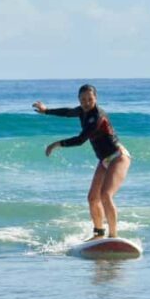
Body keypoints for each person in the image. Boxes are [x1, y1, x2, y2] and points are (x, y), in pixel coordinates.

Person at [32, 84, 131, 241]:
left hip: (118, 157)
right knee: (92, 198)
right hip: (104, 160)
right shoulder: (81, 111)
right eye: (83, 99)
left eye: (90, 99)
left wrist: (56, 144)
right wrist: (46, 111)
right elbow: (67, 112)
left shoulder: (98, 116)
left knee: (105, 195)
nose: (86, 102)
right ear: (79, 100)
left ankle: (113, 236)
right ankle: (98, 234)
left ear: (96, 98)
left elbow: (80, 140)